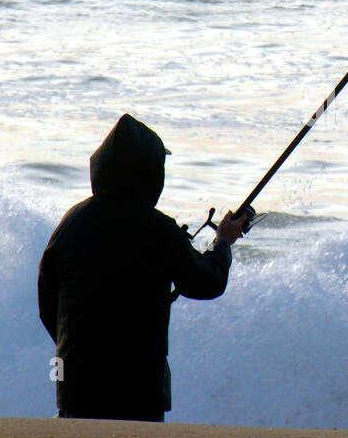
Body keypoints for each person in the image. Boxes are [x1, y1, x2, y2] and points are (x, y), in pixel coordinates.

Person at [37, 114, 249, 421]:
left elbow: (47, 306)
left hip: (76, 388)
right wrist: (223, 242)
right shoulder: (158, 229)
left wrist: (79, 350)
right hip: (139, 392)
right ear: (148, 174)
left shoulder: (71, 223)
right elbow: (207, 282)